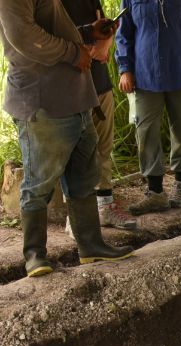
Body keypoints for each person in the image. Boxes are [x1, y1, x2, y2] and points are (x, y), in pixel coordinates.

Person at [0, 0, 134, 277]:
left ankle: (91, 245)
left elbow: (50, 28)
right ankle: (35, 256)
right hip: (43, 98)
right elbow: (23, 36)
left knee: (83, 177)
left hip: (75, 96)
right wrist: (73, 51)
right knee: (39, 182)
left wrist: (89, 33)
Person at [116, 0, 181, 214]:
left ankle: (180, 185)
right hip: (145, 74)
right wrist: (125, 69)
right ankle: (155, 192)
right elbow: (124, 34)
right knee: (145, 130)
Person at [58, 0, 137, 229]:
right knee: (72, 154)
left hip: (100, 84)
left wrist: (105, 46)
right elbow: (48, 39)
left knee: (103, 148)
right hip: (69, 86)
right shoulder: (49, 4)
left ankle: (105, 207)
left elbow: (108, 26)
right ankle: (74, 219)